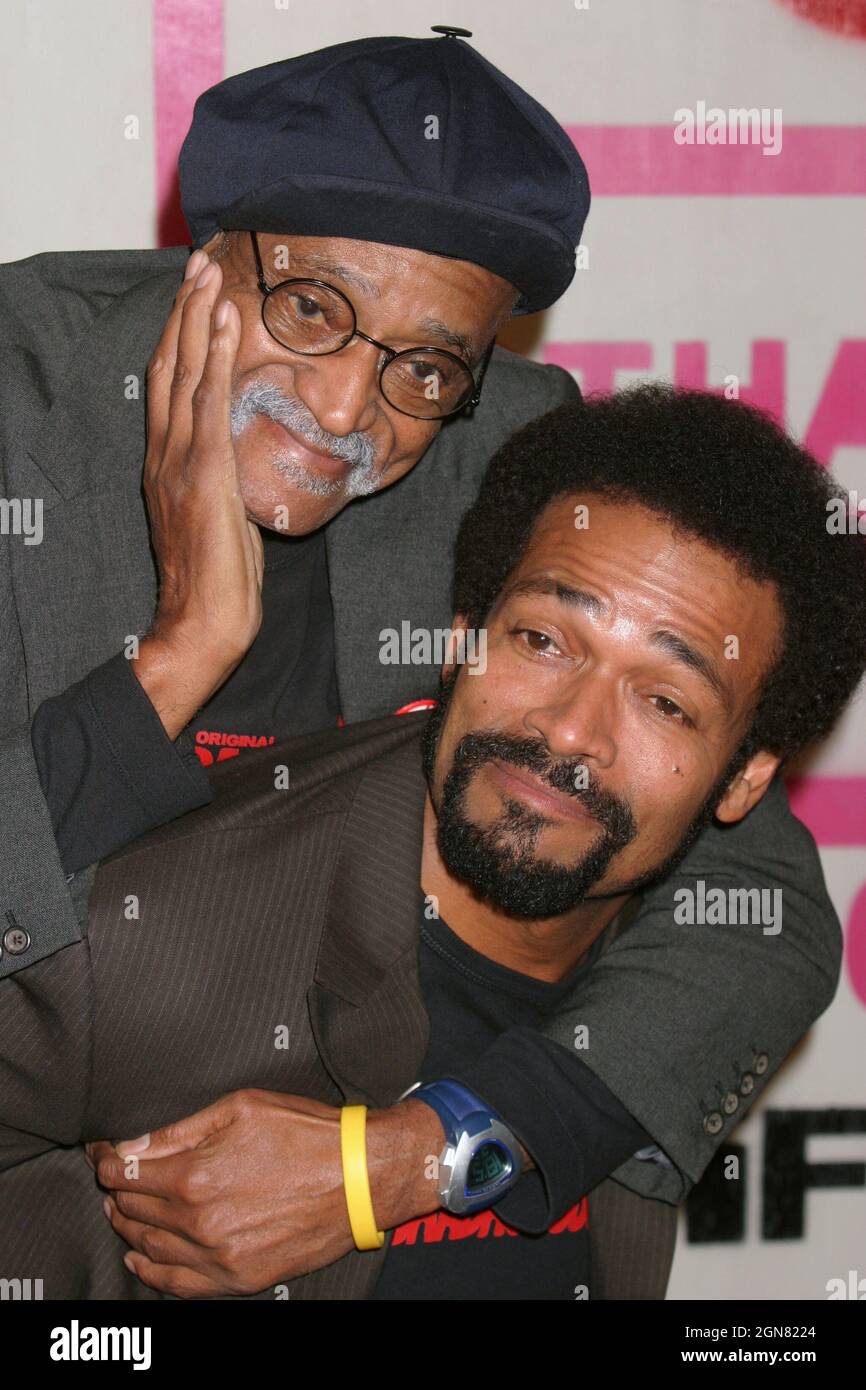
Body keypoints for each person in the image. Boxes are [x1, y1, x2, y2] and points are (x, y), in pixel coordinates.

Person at [0, 28, 841, 1275]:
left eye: (426, 364)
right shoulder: (21, 403)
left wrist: (428, 1152)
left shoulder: (499, 449)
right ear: (203, 258)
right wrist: (176, 660)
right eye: (308, 308)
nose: (344, 411)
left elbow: (756, 906)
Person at [3, 384, 865, 1301]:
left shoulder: (695, 991)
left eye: (665, 701)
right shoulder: (134, 938)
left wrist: (414, 1161)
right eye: (542, 638)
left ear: (744, 781)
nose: (573, 731)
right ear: (459, 643)